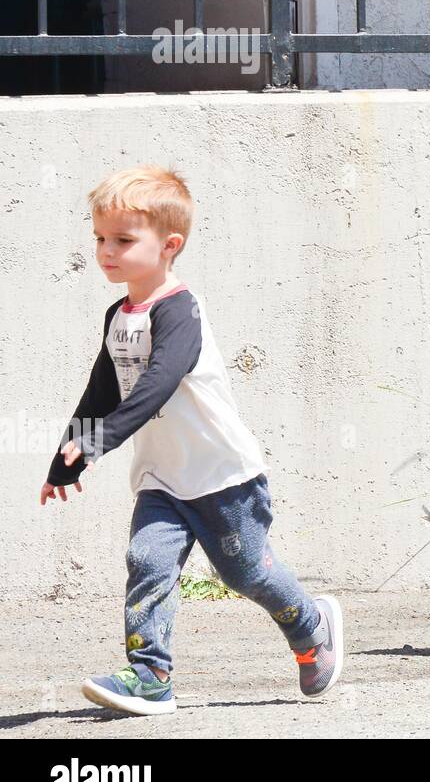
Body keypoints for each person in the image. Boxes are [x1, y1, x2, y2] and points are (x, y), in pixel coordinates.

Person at [40, 166, 344, 714]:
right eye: (100, 238)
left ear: (169, 245)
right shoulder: (118, 316)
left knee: (245, 574)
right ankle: (151, 675)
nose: (106, 250)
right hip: (162, 477)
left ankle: (310, 625)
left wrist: (103, 439)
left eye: (123, 240)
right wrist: (68, 459)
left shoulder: (181, 311)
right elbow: (100, 391)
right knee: (147, 560)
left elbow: (159, 383)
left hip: (222, 476)